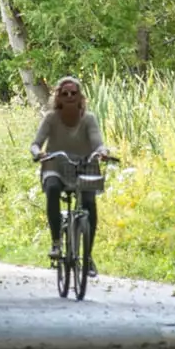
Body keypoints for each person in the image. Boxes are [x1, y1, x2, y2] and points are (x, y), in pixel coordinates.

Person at [30, 76, 108, 277]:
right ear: (59, 97)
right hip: (56, 164)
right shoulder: (51, 119)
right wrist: (38, 153)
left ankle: (87, 256)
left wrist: (102, 151)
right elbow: (36, 143)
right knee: (53, 189)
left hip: (84, 166)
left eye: (74, 93)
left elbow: (97, 141)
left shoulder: (88, 119)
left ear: (80, 96)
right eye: (65, 94)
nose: (70, 97)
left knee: (89, 205)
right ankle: (56, 242)